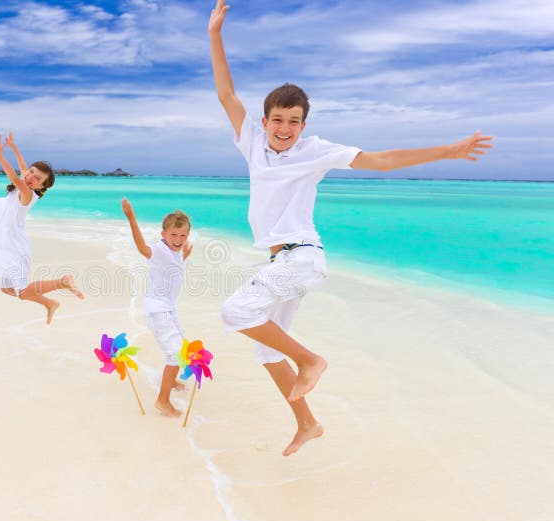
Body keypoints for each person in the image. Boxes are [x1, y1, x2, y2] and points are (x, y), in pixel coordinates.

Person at [208, 0, 493, 456]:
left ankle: (310, 360)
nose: (284, 128)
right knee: (264, 350)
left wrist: (448, 152)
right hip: (282, 261)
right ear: (265, 122)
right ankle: (307, 423)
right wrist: (214, 33)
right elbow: (226, 94)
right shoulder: (252, 143)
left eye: (293, 122)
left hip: (303, 257)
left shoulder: (315, 150)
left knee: (235, 312)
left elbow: (380, 160)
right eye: (277, 120)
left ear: (304, 125)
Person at [0, 132, 83, 324]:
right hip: (5, 245)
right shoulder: (26, 182)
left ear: (41, 187)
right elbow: (22, 168)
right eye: (31, 172)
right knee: (6, 289)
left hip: (15, 249)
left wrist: (0, 157)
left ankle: (62, 281)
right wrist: (13, 147)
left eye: (37, 179)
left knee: (22, 291)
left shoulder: (27, 194)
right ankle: (49, 303)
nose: (30, 177)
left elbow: (15, 177)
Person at [121, 198, 193, 417]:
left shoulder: (175, 251)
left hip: (169, 309)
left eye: (183, 235)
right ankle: (163, 402)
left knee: (182, 348)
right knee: (175, 355)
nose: (178, 240)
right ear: (163, 235)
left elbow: (174, 262)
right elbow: (142, 248)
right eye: (173, 235)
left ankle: (170, 382)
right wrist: (132, 218)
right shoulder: (159, 250)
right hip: (158, 310)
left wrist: (184, 255)